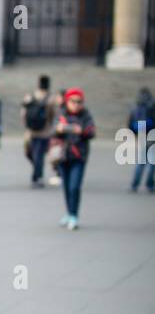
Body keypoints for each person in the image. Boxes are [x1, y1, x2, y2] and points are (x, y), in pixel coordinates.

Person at [51, 88, 95, 230]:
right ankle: (69, 213)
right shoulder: (61, 113)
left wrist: (81, 131)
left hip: (78, 156)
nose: (76, 104)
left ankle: (74, 215)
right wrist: (59, 129)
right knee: (66, 187)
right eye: (73, 101)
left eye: (79, 101)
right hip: (63, 156)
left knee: (74, 187)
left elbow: (91, 131)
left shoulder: (86, 115)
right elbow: (52, 131)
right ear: (67, 101)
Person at [21, 74, 54, 187]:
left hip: (31, 132)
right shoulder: (50, 99)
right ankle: (37, 176)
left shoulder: (30, 97)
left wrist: (26, 125)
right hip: (44, 132)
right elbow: (52, 115)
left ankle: (36, 174)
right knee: (38, 155)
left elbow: (23, 113)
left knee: (32, 154)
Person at [129, 87, 155, 193]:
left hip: (142, 136)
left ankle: (135, 184)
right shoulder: (152, 105)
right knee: (152, 163)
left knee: (141, 162)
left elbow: (130, 121)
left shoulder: (136, 107)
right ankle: (150, 184)